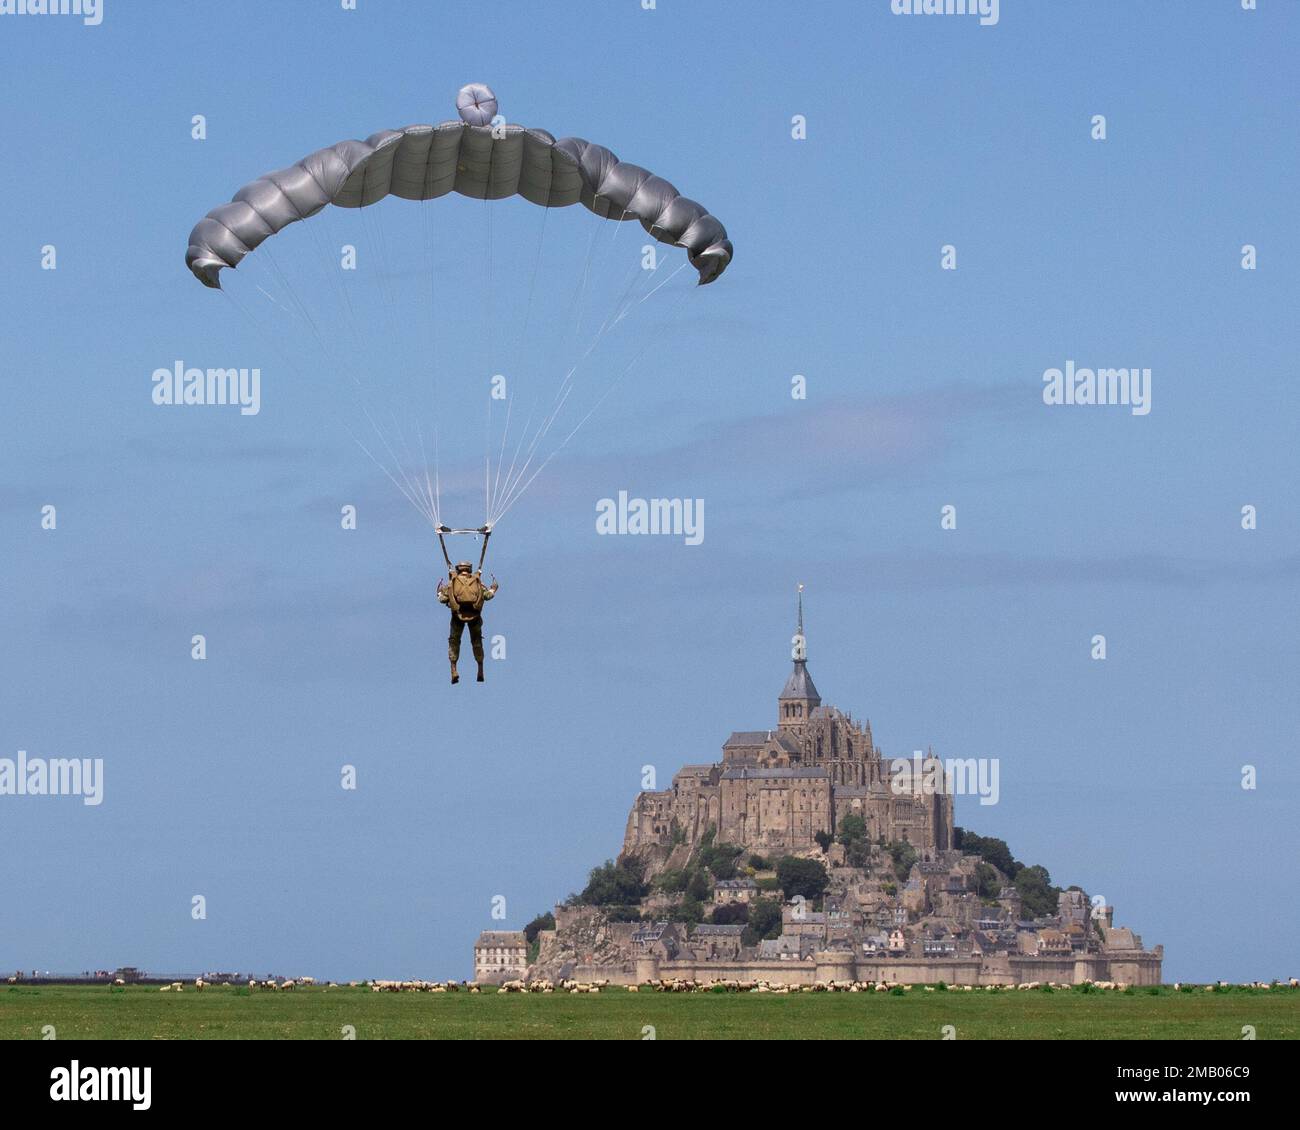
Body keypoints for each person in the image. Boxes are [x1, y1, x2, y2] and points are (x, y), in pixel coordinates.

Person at [437, 561, 498, 684]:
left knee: (454, 641)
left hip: (457, 617)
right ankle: (480, 669)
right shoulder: (477, 582)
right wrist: (493, 589)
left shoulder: (452, 583)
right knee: (477, 641)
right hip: (474, 616)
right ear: (469, 569)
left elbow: (442, 599)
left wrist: (439, 592)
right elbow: (487, 596)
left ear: (458, 569)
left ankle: (453, 670)